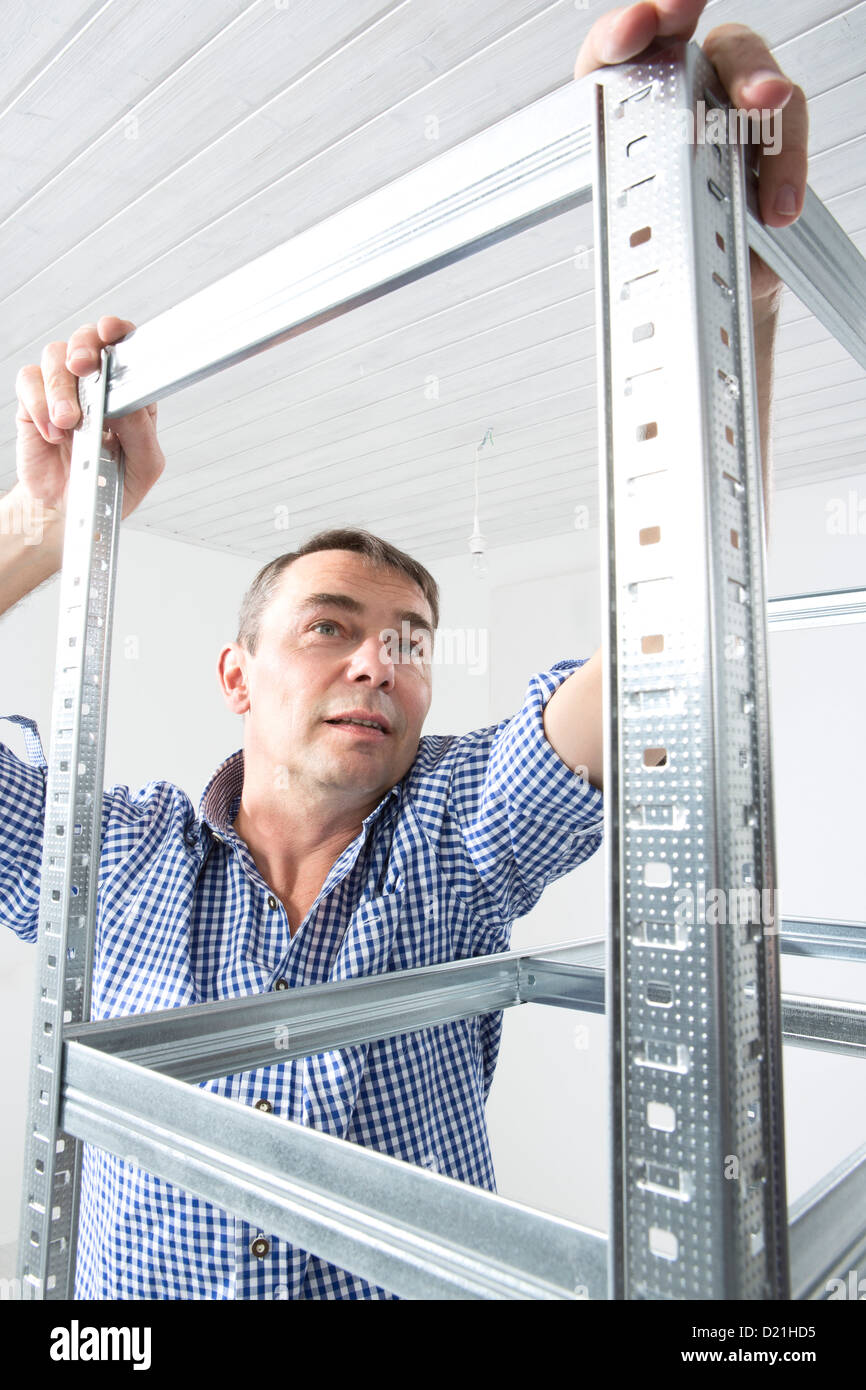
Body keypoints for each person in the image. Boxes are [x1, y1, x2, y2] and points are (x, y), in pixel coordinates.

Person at [1, 1, 806, 1299]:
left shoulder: (453, 835)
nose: (381, 662)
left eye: (411, 640)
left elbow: (671, 655)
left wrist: (726, 296)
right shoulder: (111, 856)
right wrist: (47, 523)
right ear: (234, 674)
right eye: (331, 628)